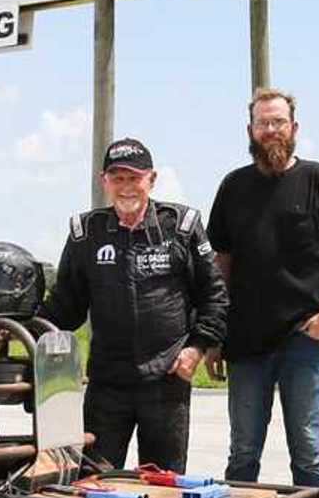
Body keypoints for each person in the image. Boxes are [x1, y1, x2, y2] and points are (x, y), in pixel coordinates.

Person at [205, 88, 319, 486]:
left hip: (305, 342)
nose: (271, 130)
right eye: (263, 123)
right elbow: (221, 263)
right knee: (243, 452)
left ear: (294, 128)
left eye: (278, 122)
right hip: (245, 343)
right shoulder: (233, 187)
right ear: (250, 130)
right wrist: (213, 335)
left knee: (307, 450)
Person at [34, 138, 228, 473]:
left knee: (162, 486)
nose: (126, 187)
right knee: (94, 482)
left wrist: (196, 349)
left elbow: (214, 296)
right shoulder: (85, 233)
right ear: (104, 181)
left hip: (167, 382)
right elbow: (66, 306)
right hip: (107, 385)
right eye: (117, 178)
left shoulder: (182, 226)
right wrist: (23, 328)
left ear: (151, 179)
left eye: (134, 178)